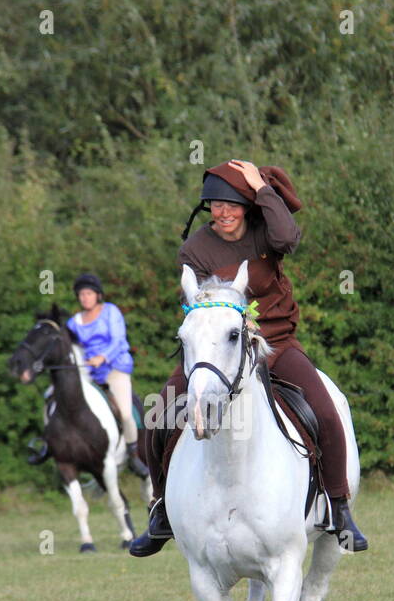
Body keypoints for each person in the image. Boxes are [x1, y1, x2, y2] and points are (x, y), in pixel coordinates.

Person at [130, 159, 368, 556]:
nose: (222, 213)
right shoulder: (196, 248)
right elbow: (202, 306)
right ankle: (161, 511)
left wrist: (262, 189)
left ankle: (339, 508)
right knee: (160, 414)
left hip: (276, 345)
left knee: (325, 411)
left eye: (231, 205)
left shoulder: (265, 232)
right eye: (215, 206)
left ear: (246, 206)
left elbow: (288, 238)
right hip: (219, 353)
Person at [65, 273, 150, 477]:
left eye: (88, 293)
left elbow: (118, 341)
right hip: (88, 373)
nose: (84, 297)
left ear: (98, 295)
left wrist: (102, 357)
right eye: (81, 294)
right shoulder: (74, 322)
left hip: (114, 368)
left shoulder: (111, 312)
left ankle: (133, 455)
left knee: (126, 413)